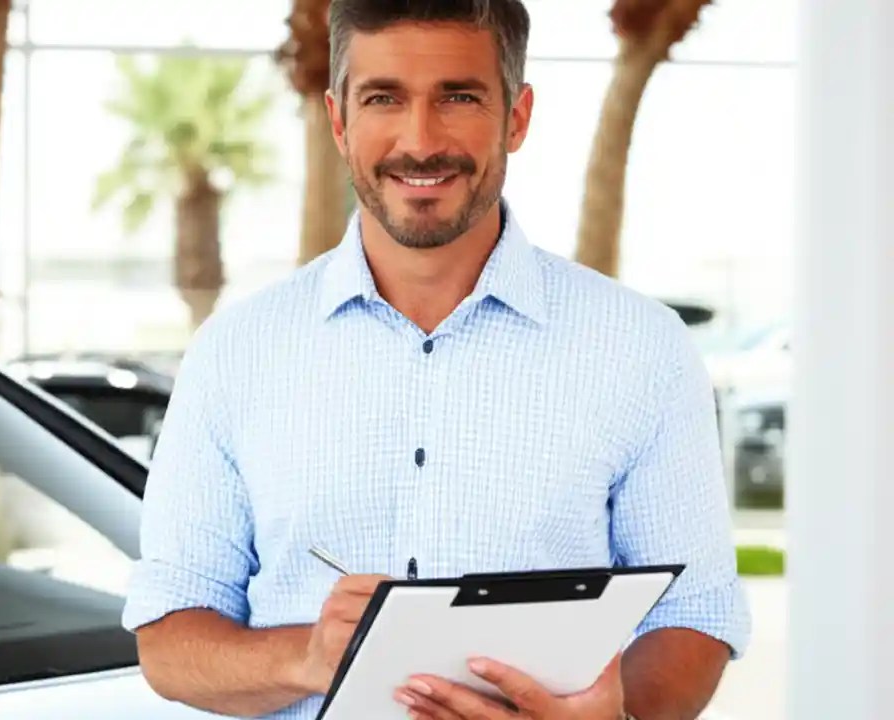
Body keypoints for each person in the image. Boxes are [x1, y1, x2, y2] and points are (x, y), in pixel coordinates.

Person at [121, 1, 751, 718]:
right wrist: (309, 655)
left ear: (516, 116)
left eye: (458, 97)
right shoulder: (234, 354)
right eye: (383, 98)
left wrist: (618, 717)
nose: (420, 142)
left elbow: (695, 614)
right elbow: (169, 640)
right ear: (339, 119)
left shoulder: (643, 348)